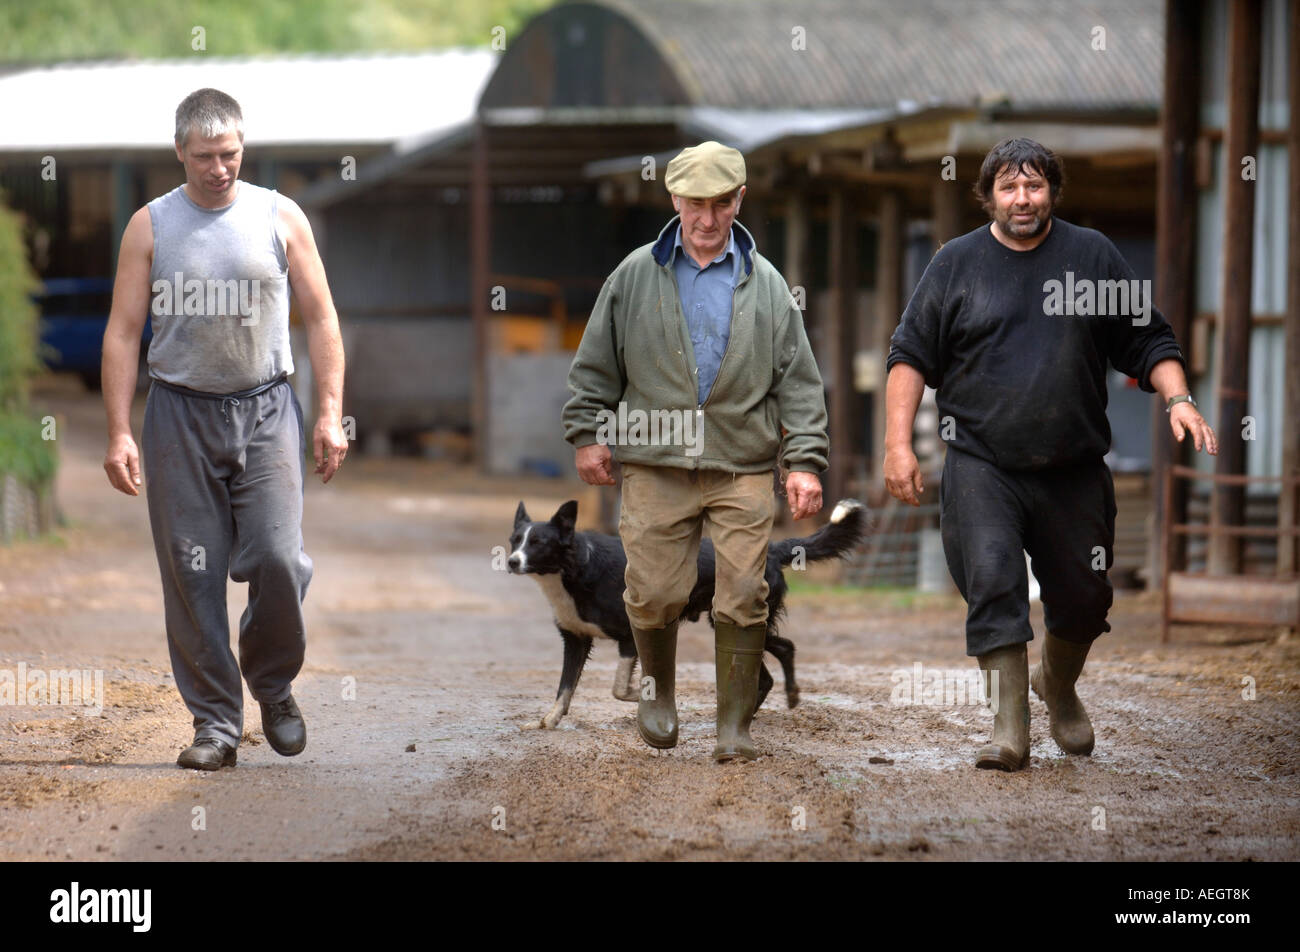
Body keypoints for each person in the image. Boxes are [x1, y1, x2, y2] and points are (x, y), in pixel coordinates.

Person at [884, 137, 1217, 770]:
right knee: (993, 580)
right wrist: (898, 446)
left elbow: (1149, 340)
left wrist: (1178, 399)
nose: (1022, 199)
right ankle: (1010, 731)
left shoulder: (1091, 257)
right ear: (988, 196)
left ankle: (1057, 687)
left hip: (1073, 466)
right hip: (981, 460)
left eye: (1034, 186)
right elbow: (910, 357)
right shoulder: (956, 264)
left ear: (1052, 192)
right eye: (1008, 187)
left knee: (1085, 597)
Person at [101, 88, 347, 770]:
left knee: (276, 556)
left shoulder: (281, 216)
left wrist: (329, 412)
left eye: (230, 154)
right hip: (178, 414)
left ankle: (272, 682)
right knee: (192, 574)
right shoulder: (150, 226)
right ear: (179, 152)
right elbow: (122, 333)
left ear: (244, 149)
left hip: (267, 410)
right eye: (206, 156)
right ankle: (214, 724)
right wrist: (120, 431)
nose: (219, 168)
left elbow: (323, 318)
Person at [563, 141, 829, 762]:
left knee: (743, 589)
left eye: (720, 204)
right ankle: (657, 694)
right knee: (653, 589)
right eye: (694, 204)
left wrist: (807, 461)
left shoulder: (767, 288)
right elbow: (595, 365)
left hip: (742, 463)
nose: (707, 219)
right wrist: (588, 433)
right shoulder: (632, 276)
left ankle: (733, 725)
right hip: (656, 461)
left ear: (740, 199)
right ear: (674, 199)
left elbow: (799, 380)